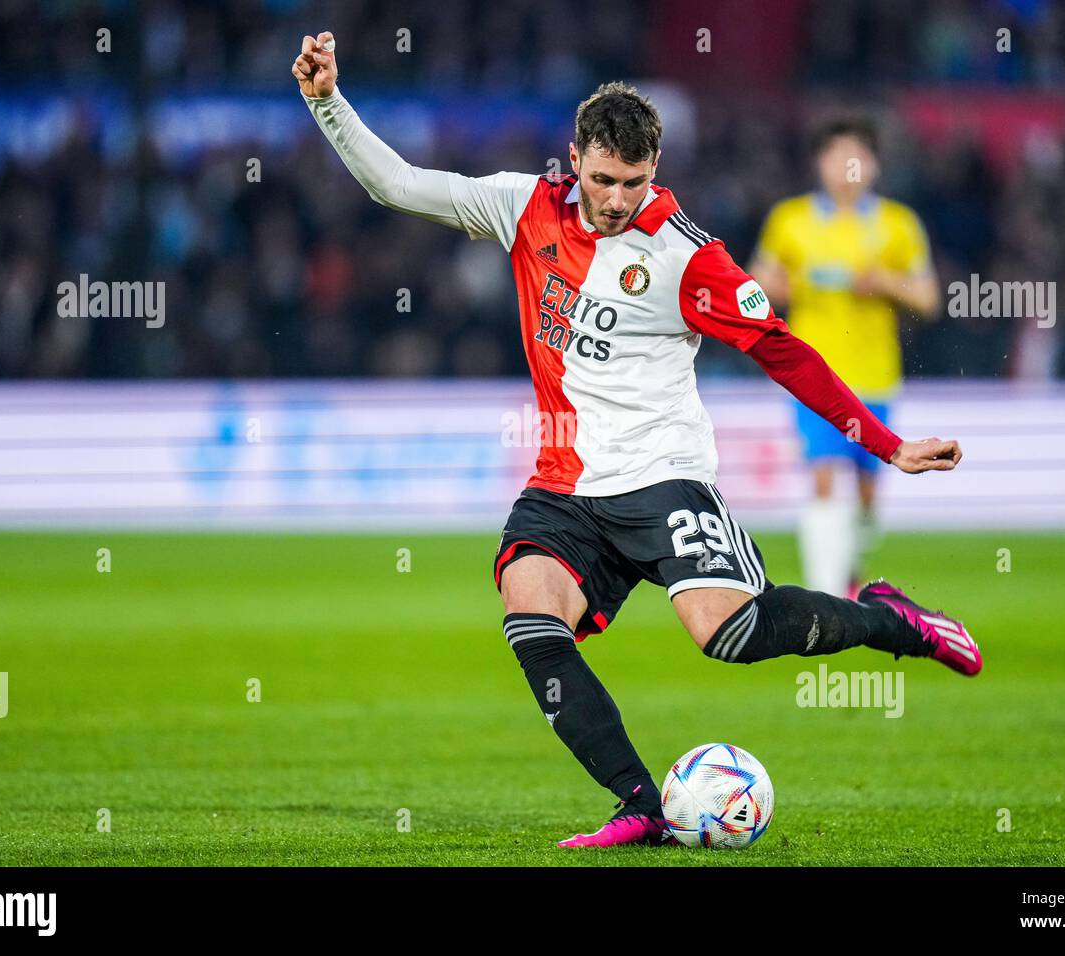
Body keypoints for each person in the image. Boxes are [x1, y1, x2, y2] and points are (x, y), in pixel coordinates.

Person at [293, 33, 980, 849]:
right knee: (529, 610)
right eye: (605, 180)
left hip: (664, 473)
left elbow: (783, 350)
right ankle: (640, 805)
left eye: (637, 182)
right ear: (573, 158)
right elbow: (398, 184)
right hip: (564, 485)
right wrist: (327, 102)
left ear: (655, 169)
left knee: (727, 633)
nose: (618, 199)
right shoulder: (523, 205)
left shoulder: (688, 257)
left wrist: (885, 443)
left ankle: (891, 621)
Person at [748, 118, 941, 597]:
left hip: (875, 375)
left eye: (856, 157)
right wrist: (786, 285)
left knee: (867, 493)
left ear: (873, 164)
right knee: (823, 477)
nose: (846, 168)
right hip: (813, 375)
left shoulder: (898, 224)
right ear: (820, 163)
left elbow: (929, 297)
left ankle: (849, 559)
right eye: (837, 157)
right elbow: (754, 281)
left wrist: (886, 283)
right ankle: (828, 592)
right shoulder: (790, 220)